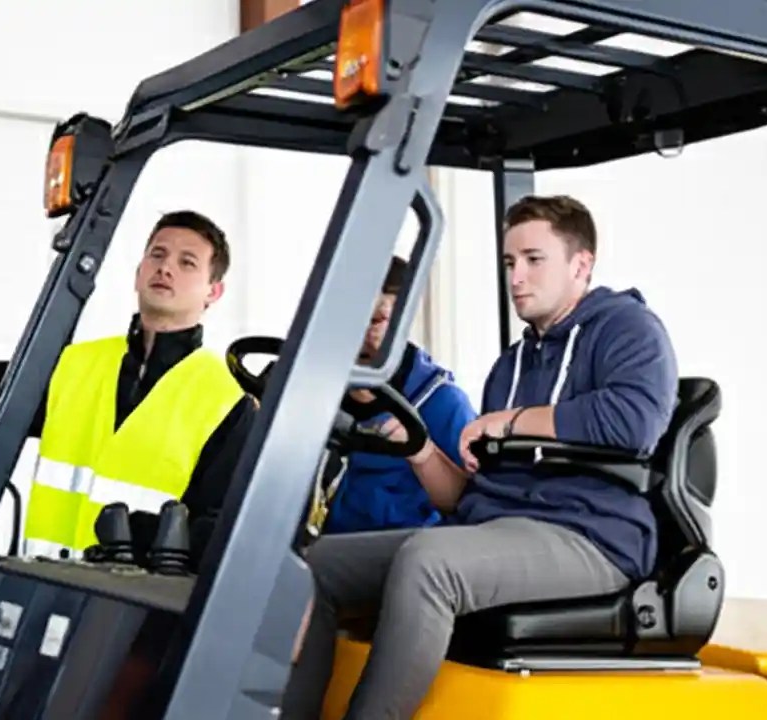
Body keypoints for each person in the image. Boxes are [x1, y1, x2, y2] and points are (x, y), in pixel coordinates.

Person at [282, 195, 679, 719]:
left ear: (581, 264)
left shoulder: (627, 329)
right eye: (510, 263)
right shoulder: (512, 364)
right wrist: (421, 449)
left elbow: (632, 424)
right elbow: (469, 499)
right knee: (319, 564)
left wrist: (511, 421)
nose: (517, 277)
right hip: (504, 531)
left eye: (534, 260)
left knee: (430, 563)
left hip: (591, 538)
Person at [0, 210, 255, 566]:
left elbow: (219, 533)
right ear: (137, 273)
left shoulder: (227, 402)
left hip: (139, 617)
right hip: (46, 589)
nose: (166, 268)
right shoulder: (75, 366)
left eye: (187, 263)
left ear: (212, 292)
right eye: (158, 254)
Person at [317, 256, 478, 535]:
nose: (355, 334)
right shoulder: (314, 393)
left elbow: (469, 508)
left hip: (400, 552)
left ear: (403, 321)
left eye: (375, 320)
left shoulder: (443, 404)